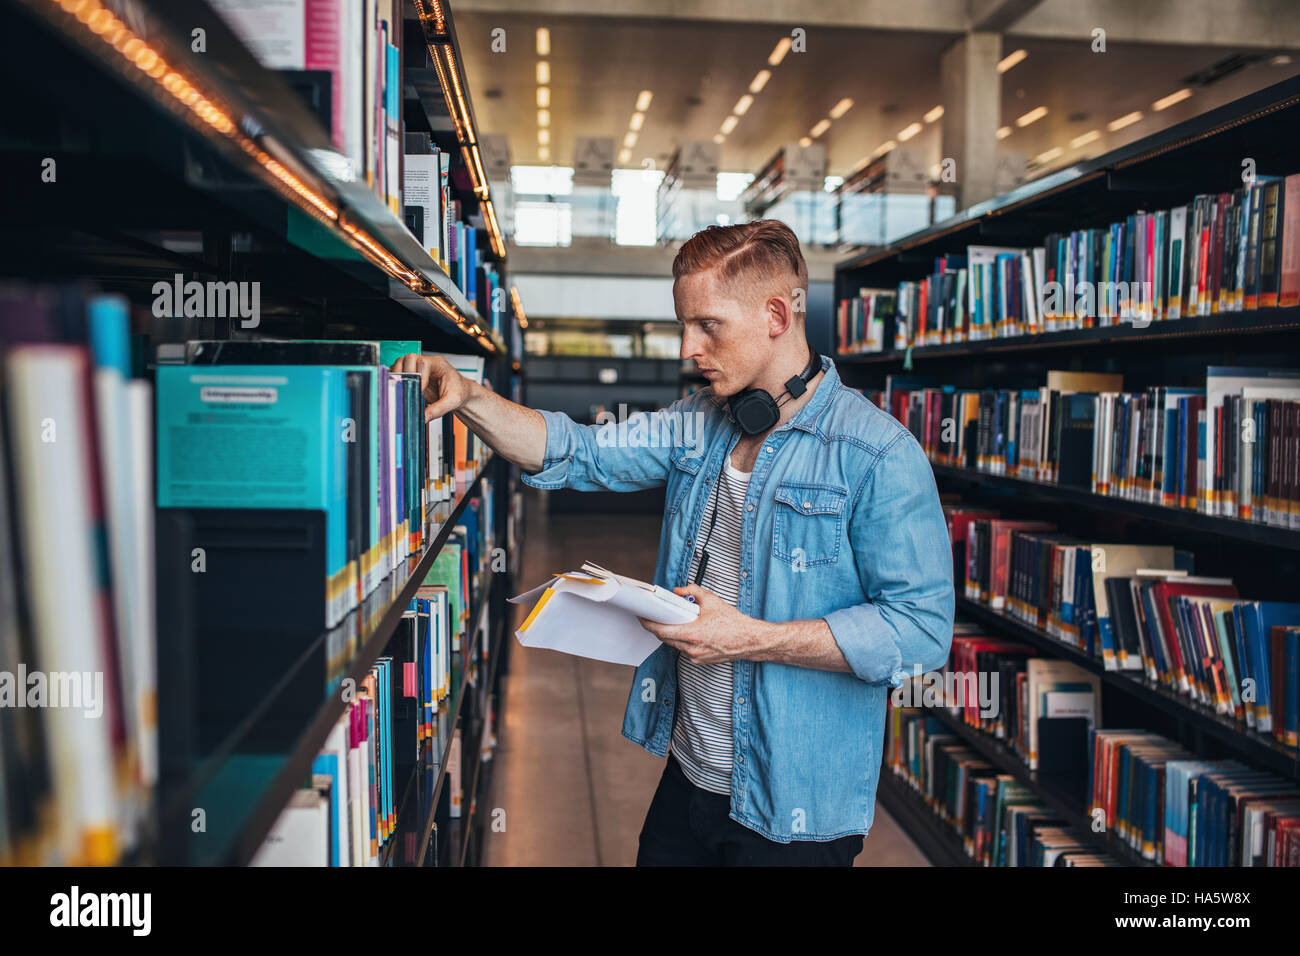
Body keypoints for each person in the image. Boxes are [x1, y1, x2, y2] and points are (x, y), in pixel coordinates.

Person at [393, 220, 954, 866]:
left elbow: (919, 632)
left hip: (794, 811)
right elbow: (580, 452)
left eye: (707, 325)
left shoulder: (877, 455)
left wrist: (748, 637)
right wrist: (469, 398)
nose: (689, 346)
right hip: (689, 774)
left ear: (777, 314)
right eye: (683, 325)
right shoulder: (701, 421)